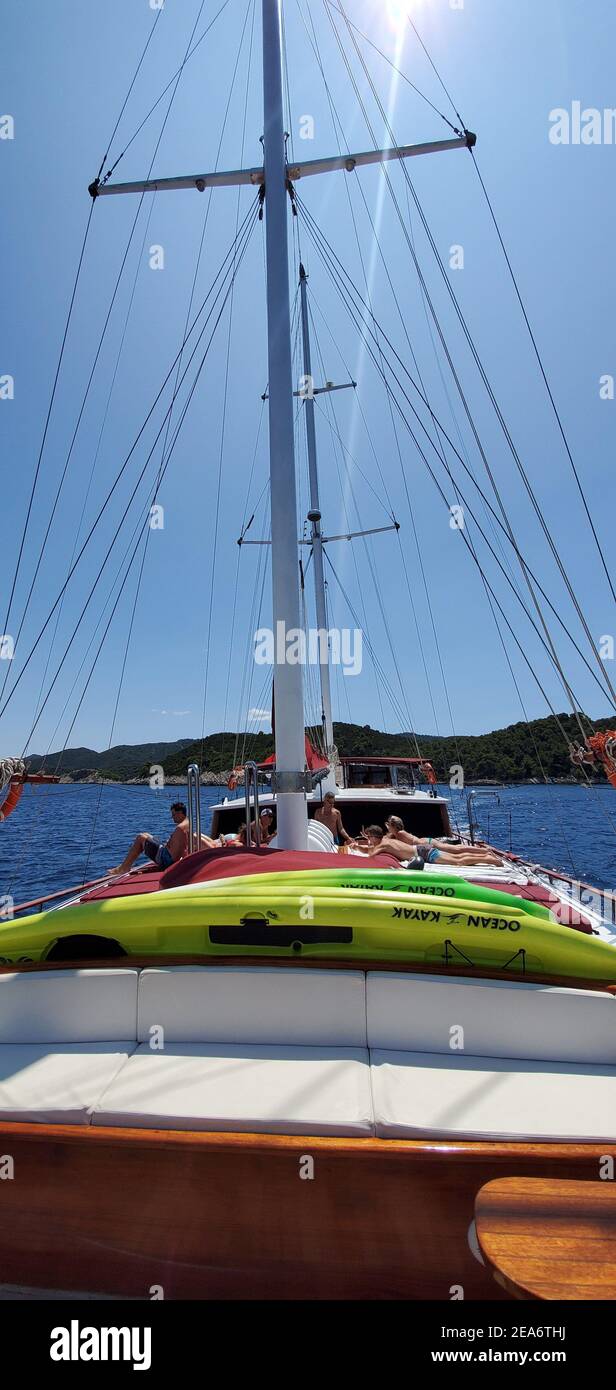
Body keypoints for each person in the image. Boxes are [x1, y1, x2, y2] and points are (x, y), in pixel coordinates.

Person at [383, 815, 506, 867]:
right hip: (427, 844)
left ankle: (484, 853)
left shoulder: (399, 834)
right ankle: (484, 853)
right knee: (457, 853)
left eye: (388, 825)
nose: (387, 827)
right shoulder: (399, 833)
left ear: (392, 826)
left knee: (457, 851)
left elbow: (389, 840)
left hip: (428, 846)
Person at [108, 802, 189, 876]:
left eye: (173, 815)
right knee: (146, 835)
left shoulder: (180, 828)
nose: (172, 817)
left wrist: (167, 847)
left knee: (140, 837)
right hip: (171, 857)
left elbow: (173, 856)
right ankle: (125, 865)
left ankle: (124, 868)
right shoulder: (187, 824)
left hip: (167, 860)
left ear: (180, 813)